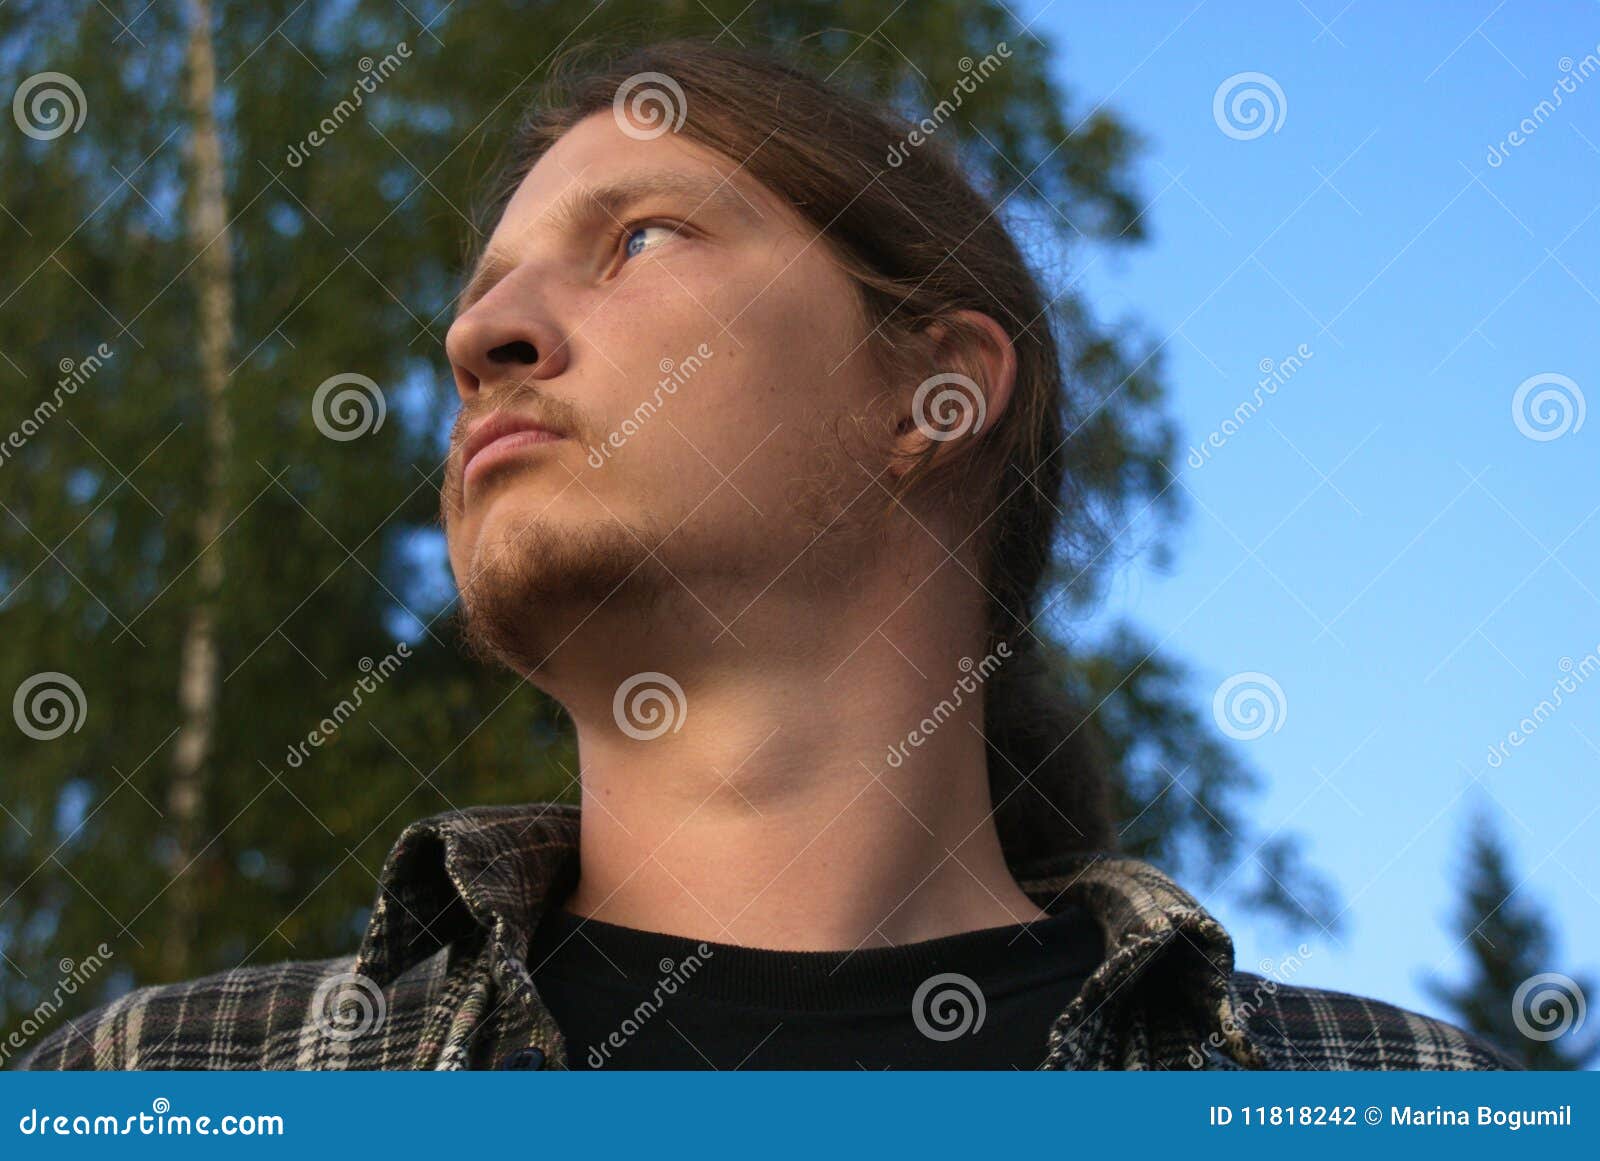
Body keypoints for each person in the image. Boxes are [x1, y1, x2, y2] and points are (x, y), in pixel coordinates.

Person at [20, 39, 1514, 1071]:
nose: (479, 339)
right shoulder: (161, 1081)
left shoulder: (1401, 1095)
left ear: (935, 387)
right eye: (480, 298)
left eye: (643, 239)